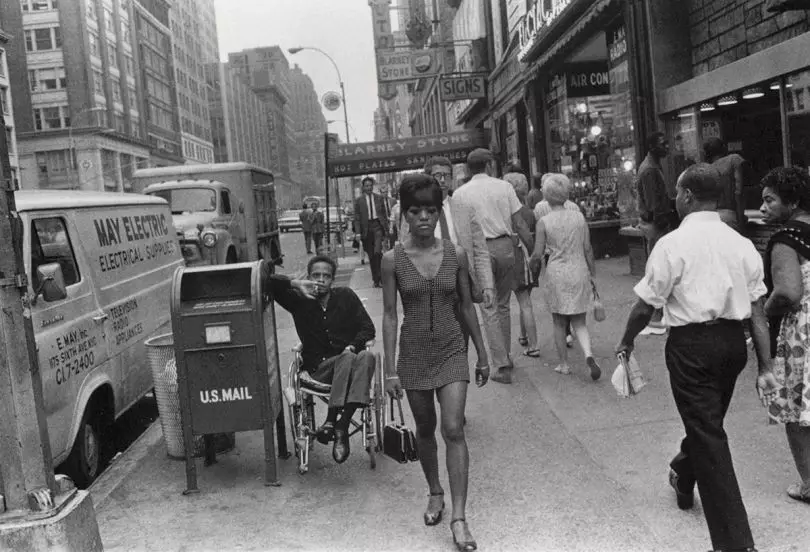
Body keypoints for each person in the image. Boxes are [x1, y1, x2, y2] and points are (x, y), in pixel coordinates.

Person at [615, 164, 775, 552]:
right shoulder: (740, 243)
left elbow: (644, 306)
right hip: (732, 346)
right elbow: (757, 309)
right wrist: (765, 366)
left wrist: (626, 341)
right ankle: (684, 472)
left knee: (709, 433)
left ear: (686, 196)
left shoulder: (671, 245)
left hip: (690, 347)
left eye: (677, 192)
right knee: (708, 425)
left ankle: (735, 543)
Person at [382, 174, 489, 552]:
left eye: (431, 210)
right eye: (416, 211)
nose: (424, 218)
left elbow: (465, 305)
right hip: (412, 354)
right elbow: (391, 315)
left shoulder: (455, 254)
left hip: (451, 350)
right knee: (424, 428)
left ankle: (459, 518)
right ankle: (434, 492)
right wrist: (390, 369)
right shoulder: (392, 260)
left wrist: (482, 352)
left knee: (453, 428)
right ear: (405, 214)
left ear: (438, 211)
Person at [261, 255, 376, 464]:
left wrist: (351, 346)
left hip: (349, 366)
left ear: (333, 280)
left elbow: (368, 328)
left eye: (326, 276)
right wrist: (295, 283)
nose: (321, 280)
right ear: (308, 276)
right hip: (319, 370)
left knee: (365, 355)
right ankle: (337, 423)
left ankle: (337, 424)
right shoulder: (298, 301)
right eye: (316, 275)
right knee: (349, 357)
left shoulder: (345, 296)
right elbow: (265, 279)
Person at [452, 148, 533, 384]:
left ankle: (501, 364)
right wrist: (532, 250)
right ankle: (505, 355)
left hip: (478, 251)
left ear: (468, 168)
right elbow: (519, 222)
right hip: (506, 246)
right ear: (489, 165)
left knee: (488, 307)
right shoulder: (504, 187)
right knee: (503, 304)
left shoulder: (460, 194)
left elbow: (461, 232)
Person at [760, 166, 810, 504]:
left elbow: (788, 292)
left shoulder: (785, 239)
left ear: (790, 202)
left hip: (803, 329)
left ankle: (809, 484)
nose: (763, 208)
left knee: (797, 405)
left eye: (769, 200)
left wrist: (765, 311)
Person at [529, 174, 600, 379]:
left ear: (547, 196)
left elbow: (538, 253)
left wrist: (532, 264)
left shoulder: (543, 222)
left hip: (557, 272)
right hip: (579, 269)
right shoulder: (579, 217)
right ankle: (588, 354)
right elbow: (587, 248)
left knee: (559, 321)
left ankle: (564, 364)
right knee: (579, 320)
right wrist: (592, 272)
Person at [421, 156, 495, 317]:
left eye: (447, 176)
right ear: (427, 178)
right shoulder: (416, 212)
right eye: (437, 175)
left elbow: (480, 250)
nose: (442, 180)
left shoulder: (464, 209)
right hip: (430, 284)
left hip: (460, 281)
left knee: (462, 334)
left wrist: (487, 285)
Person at [636, 131, 677, 335]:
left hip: (655, 224)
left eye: (667, 143)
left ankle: (655, 315)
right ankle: (654, 316)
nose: (667, 147)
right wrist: (666, 222)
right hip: (656, 225)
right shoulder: (650, 170)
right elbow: (654, 204)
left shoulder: (653, 167)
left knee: (658, 269)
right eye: (663, 144)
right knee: (657, 270)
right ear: (652, 147)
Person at [534, 172, 580, 349]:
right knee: (572, 293)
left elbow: (540, 238)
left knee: (559, 297)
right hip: (575, 256)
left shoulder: (540, 208)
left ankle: (565, 332)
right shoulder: (575, 208)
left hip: (552, 256)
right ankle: (575, 327)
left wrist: (534, 261)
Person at [504, 167, 541, 357]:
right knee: (525, 299)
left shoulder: (506, 211)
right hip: (527, 256)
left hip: (513, 255)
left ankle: (532, 343)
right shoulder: (528, 212)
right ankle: (525, 337)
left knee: (521, 302)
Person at [704, 137, 748, 231]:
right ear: (723, 148)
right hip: (730, 216)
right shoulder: (734, 159)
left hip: (712, 218)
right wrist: (740, 220)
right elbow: (738, 191)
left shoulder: (707, 169)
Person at [354, 176, 389, 287]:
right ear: (363, 187)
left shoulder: (379, 198)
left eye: (370, 185)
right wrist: (358, 233)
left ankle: (382, 278)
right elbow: (357, 218)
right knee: (372, 256)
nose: (369, 188)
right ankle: (376, 280)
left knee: (377, 252)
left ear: (373, 186)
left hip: (377, 226)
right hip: (366, 229)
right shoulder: (359, 201)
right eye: (366, 186)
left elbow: (384, 214)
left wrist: (386, 230)